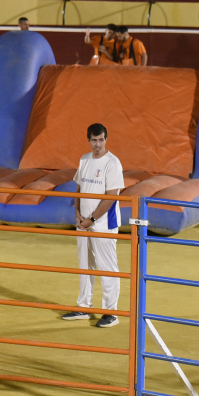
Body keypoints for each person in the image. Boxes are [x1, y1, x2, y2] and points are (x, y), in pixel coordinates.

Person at [61, 123, 123, 329]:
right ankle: (84, 306)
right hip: (83, 223)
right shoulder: (84, 160)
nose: (98, 144)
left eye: (101, 140)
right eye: (94, 140)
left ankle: (111, 312)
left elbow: (112, 196)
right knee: (85, 265)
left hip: (103, 225)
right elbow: (79, 187)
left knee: (107, 267)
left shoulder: (113, 163)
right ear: (88, 140)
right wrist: (77, 214)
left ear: (106, 139)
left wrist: (92, 219)